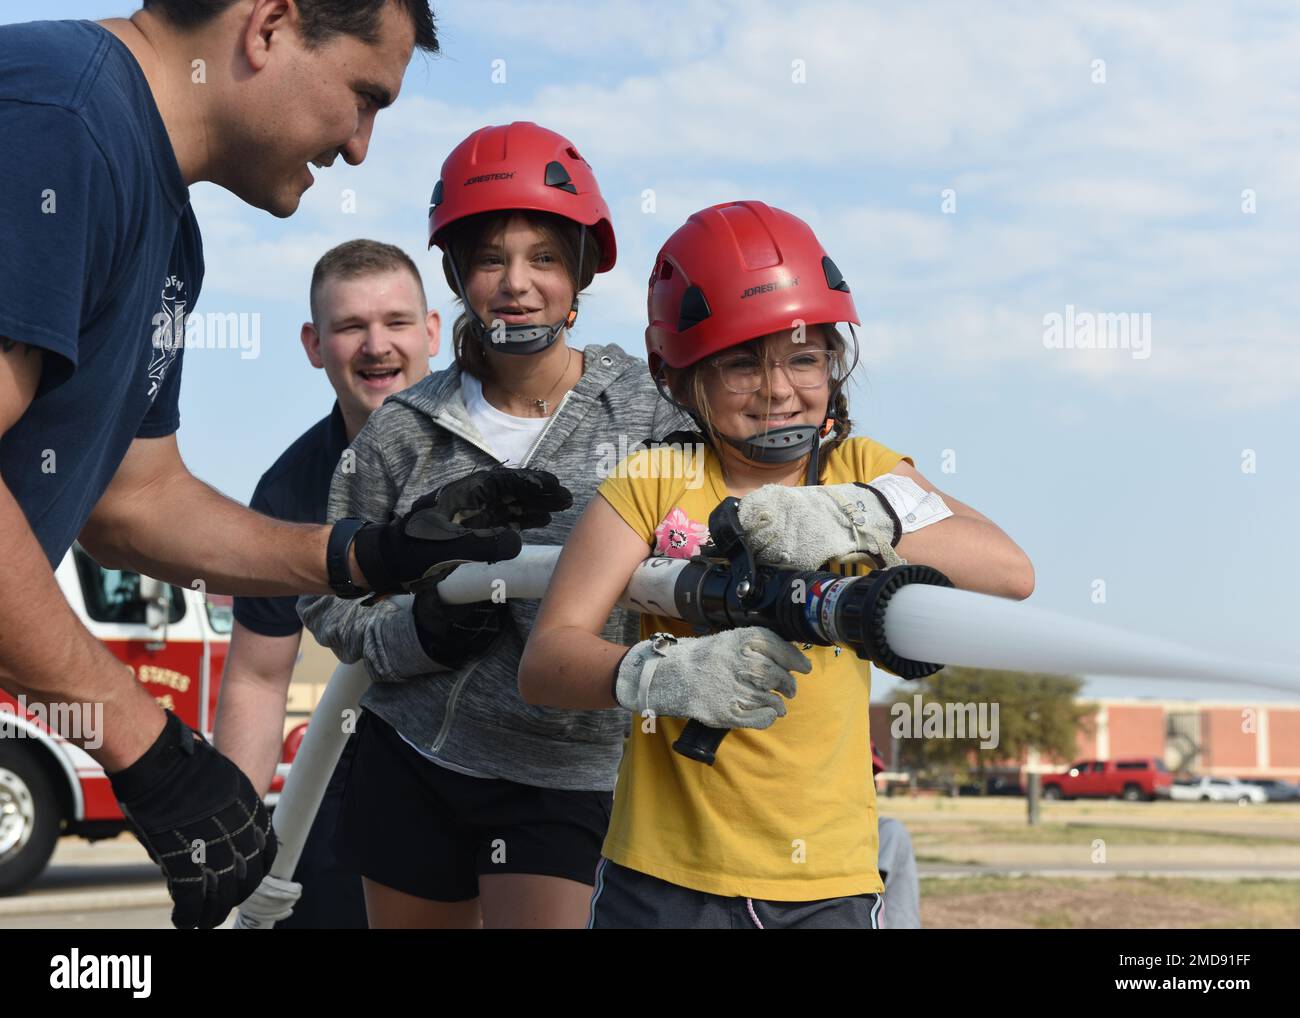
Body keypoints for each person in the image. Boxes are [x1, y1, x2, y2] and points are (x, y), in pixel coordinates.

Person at [0, 3, 552, 931]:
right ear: (270, 27)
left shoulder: (167, 223)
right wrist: (150, 749)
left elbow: (135, 503)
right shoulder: (61, 122)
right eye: (363, 97)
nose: (362, 145)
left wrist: (359, 555)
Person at [520, 200, 1035, 929]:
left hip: (828, 885)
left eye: (804, 356)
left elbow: (1010, 572)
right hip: (663, 882)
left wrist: (860, 512)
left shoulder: (861, 469)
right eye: (739, 363)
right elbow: (545, 663)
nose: (778, 390)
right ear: (677, 374)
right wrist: (662, 674)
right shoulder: (655, 480)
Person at [299, 122, 689, 929]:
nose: (517, 284)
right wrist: (421, 634)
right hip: (409, 759)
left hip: (566, 774)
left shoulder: (653, 417)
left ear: (582, 269)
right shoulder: (403, 427)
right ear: (456, 274)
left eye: (544, 258)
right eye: (489, 259)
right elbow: (325, 596)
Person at [213, 239, 440, 928]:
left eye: (397, 322)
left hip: (518, 762)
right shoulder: (289, 490)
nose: (377, 345)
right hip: (365, 758)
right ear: (315, 344)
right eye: (351, 327)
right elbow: (257, 678)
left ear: (431, 332)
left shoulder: (509, 445)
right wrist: (232, 840)